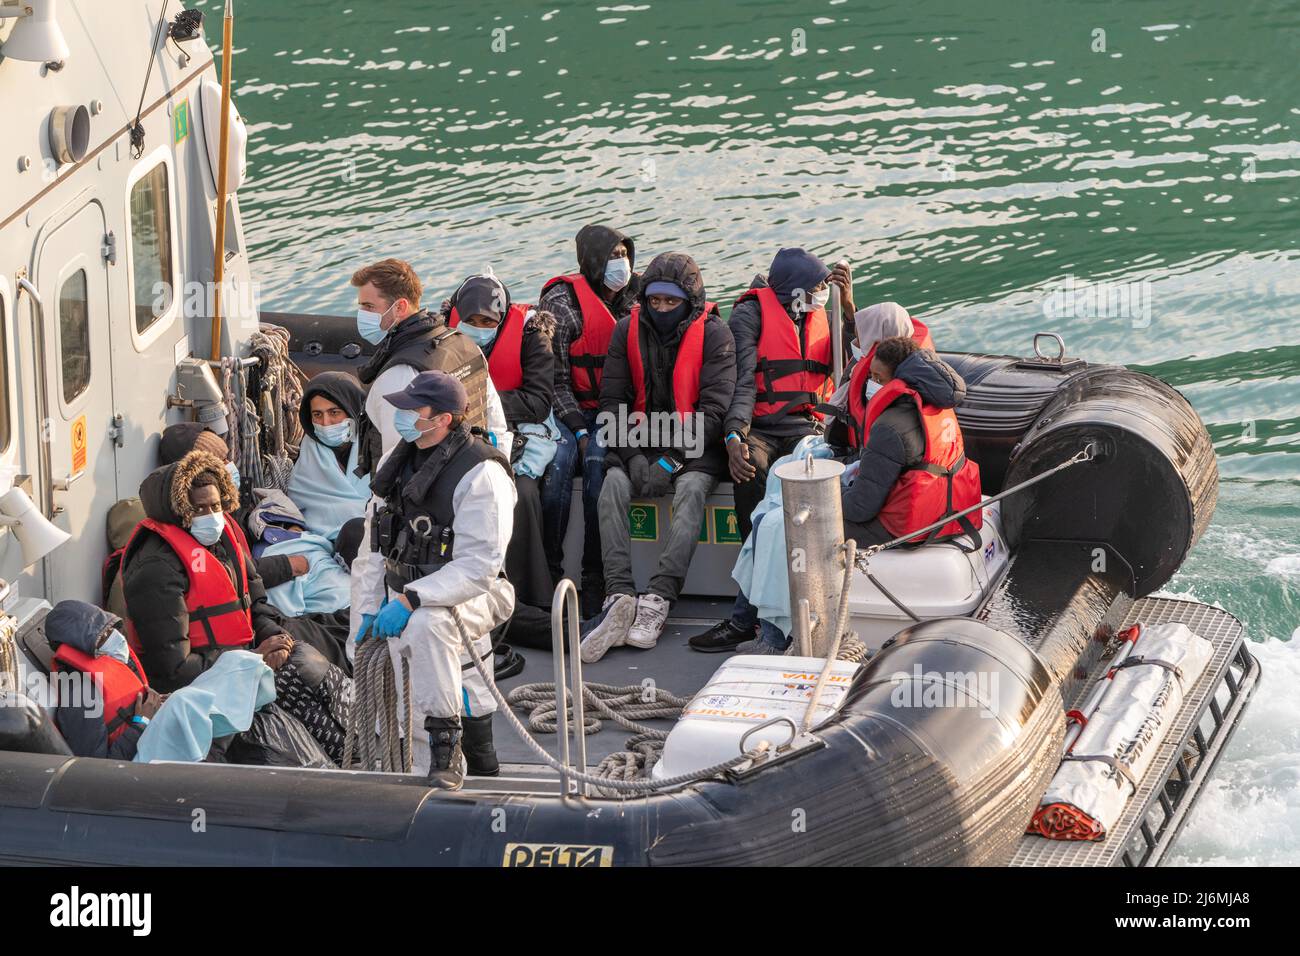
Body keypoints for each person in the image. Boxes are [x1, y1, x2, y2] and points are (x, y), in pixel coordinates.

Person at [119, 452, 353, 759]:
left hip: (244, 662)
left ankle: (359, 743)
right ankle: (343, 757)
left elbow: (255, 601)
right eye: (198, 508)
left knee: (304, 657)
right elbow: (173, 669)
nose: (210, 516)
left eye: (215, 506)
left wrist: (273, 636)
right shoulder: (156, 568)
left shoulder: (223, 542)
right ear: (179, 510)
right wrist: (253, 659)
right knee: (297, 680)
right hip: (204, 687)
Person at [350, 371, 516, 789]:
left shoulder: (482, 474)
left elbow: (480, 565)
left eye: (412, 408)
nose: (402, 414)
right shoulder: (400, 462)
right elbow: (373, 551)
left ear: (443, 418)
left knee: (431, 628)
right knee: (423, 677)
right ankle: (432, 770)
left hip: (478, 592)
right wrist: (367, 613)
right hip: (406, 588)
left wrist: (411, 600)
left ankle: (449, 754)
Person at [690, 248, 849, 653]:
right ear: (794, 290)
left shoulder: (824, 314)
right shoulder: (750, 315)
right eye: (815, 287)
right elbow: (742, 382)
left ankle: (770, 609)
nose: (820, 293)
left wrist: (847, 308)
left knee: (802, 482)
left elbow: (850, 365)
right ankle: (757, 606)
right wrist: (734, 436)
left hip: (807, 424)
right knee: (751, 472)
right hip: (760, 424)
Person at [580, 252, 736, 662]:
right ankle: (619, 594)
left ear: (690, 301)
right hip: (639, 440)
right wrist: (632, 457)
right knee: (612, 485)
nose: (662, 309)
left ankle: (660, 596)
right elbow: (612, 401)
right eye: (655, 301)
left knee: (690, 494)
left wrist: (670, 463)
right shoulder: (625, 331)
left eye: (671, 302)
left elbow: (715, 413)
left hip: (696, 446)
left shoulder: (716, 335)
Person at [537, 225, 639, 617]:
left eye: (625, 254)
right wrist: (578, 426)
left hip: (618, 408)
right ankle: (549, 572)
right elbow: (555, 380)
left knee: (598, 466)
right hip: (567, 407)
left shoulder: (639, 296)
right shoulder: (562, 305)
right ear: (593, 261)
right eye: (612, 256)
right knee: (558, 467)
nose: (622, 264)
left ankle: (594, 576)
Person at [444, 273, 556, 612]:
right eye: (471, 320)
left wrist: (479, 400)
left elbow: (538, 402)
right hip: (457, 432)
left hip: (520, 433)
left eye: (488, 321)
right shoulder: (440, 338)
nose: (479, 327)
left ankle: (529, 596)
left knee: (523, 493)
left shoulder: (531, 336)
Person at [350, 257, 510, 477]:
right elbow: (496, 424)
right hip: (477, 474)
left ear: (400, 307)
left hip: (427, 501)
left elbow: (393, 460)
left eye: (369, 306)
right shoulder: (465, 344)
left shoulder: (400, 375)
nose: (362, 315)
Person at [841, 337, 982, 546]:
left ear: (901, 379)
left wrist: (830, 493)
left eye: (878, 378)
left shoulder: (889, 428)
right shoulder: (937, 406)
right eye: (871, 376)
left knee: (812, 518)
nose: (872, 383)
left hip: (909, 529)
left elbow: (859, 508)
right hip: (950, 514)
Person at [287, 371, 371, 543]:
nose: (326, 423)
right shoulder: (309, 450)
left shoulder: (376, 447)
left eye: (334, 413)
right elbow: (300, 506)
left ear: (352, 410)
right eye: (317, 415)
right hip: (320, 540)